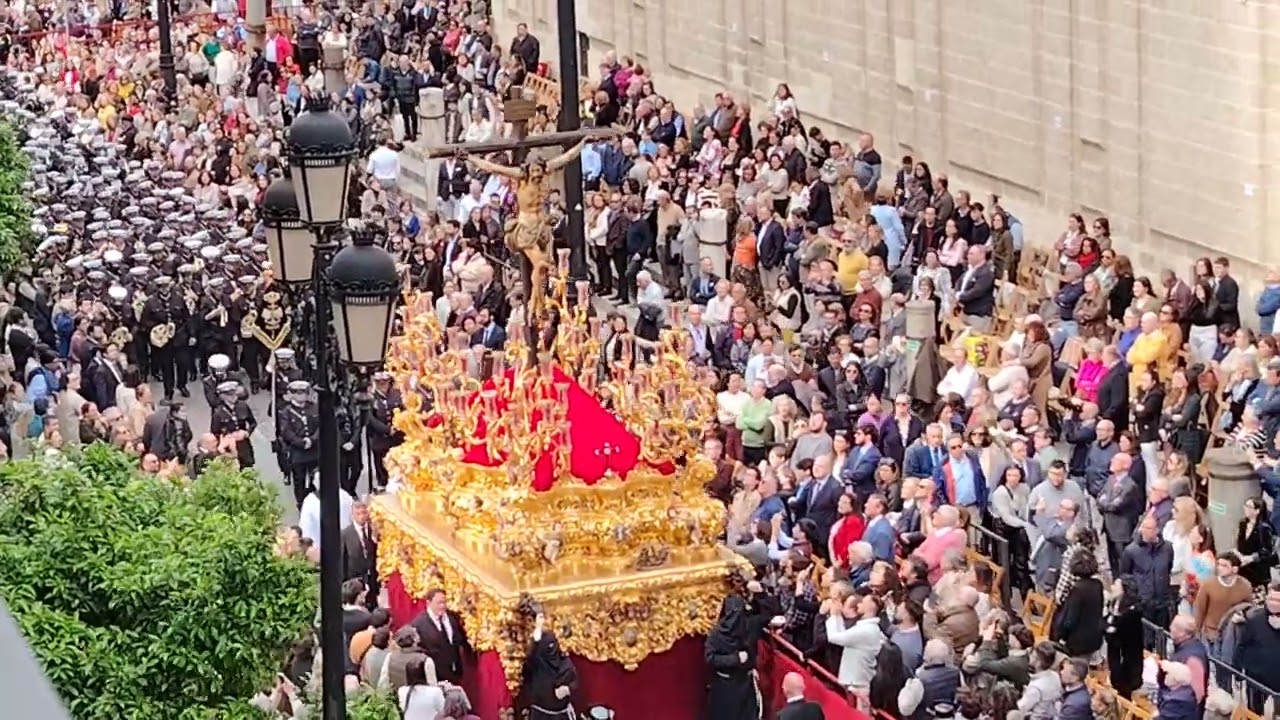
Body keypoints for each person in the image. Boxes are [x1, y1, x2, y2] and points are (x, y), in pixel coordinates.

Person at [704, 592, 769, 720]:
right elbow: (710, 658)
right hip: (725, 686)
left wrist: (753, 666)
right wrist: (735, 659)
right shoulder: (716, 635)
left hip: (745, 683)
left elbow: (766, 616)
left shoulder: (748, 627)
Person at [411, 589, 472, 685]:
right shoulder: (419, 624)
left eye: (444, 602)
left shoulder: (451, 619)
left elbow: (458, 641)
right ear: (428, 603)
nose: (442, 606)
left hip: (453, 674)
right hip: (434, 677)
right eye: (439, 603)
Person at [522, 613, 578, 720]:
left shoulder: (565, 662)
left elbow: (575, 683)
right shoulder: (536, 665)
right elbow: (531, 657)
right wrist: (537, 629)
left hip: (561, 716)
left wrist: (567, 689)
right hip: (540, 716)